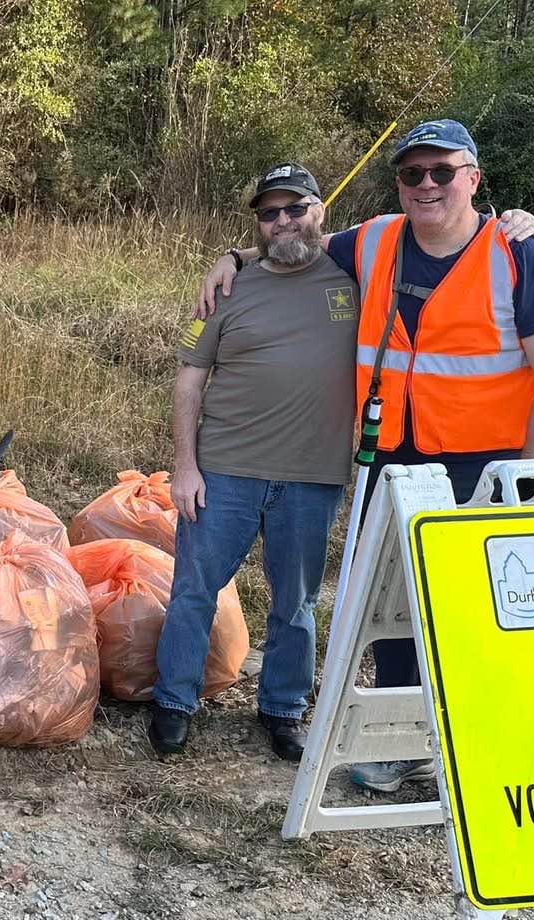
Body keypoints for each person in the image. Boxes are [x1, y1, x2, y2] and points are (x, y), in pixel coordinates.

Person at [198, 120, 534, 790]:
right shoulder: (374, 240)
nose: (426, 185)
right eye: (413, 173)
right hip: (393, 461)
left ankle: (481, 750)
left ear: (473, 177)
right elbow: (293, 246)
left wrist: (530, 474)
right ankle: (406, 744)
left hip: (488, 467)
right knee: (394, 607)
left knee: (476, 612)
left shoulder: (519, 253)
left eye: (442, 171)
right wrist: (233, 258)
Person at [150, 164, 356, 762]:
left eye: (295, 208)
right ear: (257, 224)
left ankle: (284, 709)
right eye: (269, 213)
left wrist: (517, 227)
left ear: (320, 211)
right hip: (225, 470)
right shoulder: (226, 289)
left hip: (312, 476)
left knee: (295, 600)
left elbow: (432, 230)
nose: (283, 221)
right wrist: (185, 467)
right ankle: (174, 701)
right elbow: (190, 380)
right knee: (194, 588)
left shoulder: (356, 273)